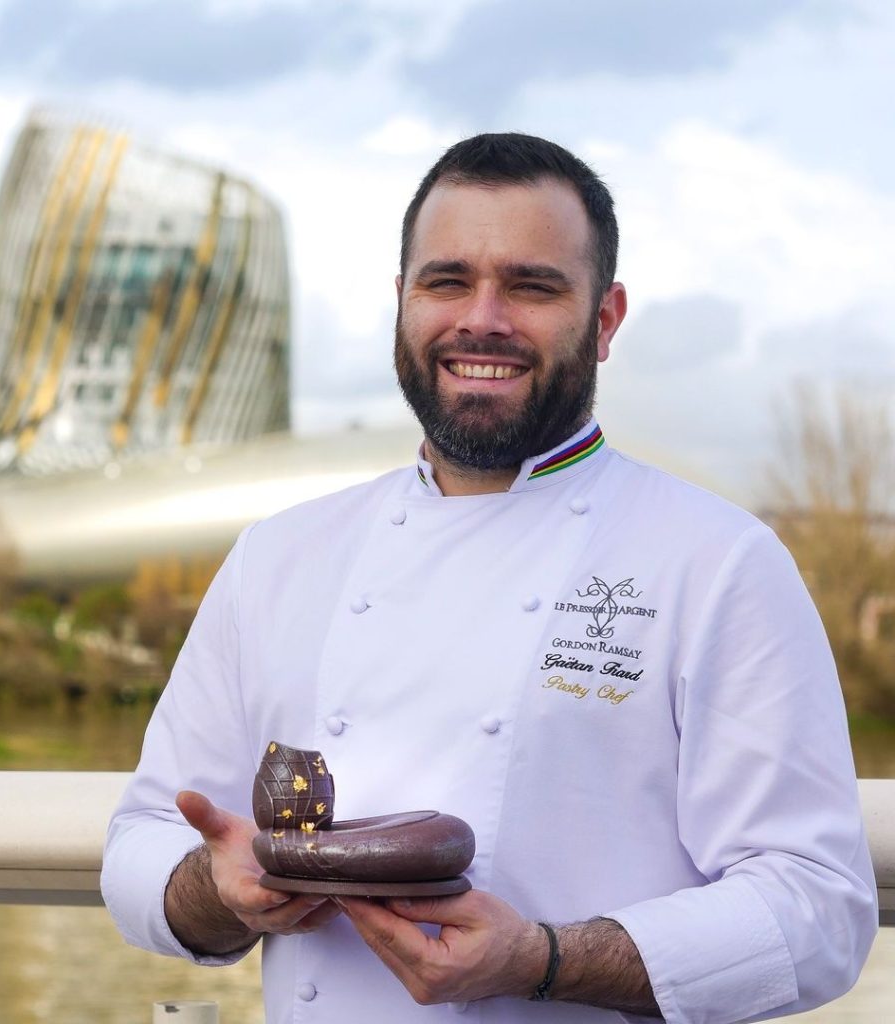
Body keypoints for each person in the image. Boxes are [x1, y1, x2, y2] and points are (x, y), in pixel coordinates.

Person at [101, 133, 878, 1023]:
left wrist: (538, 961)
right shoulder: (278, 556)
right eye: (446, 281)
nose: (483, 319)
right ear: (401, 302)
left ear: (607, 319)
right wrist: (216, 887)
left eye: (532, 285)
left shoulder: (717, 561)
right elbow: (139, 847)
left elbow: (817, 910)